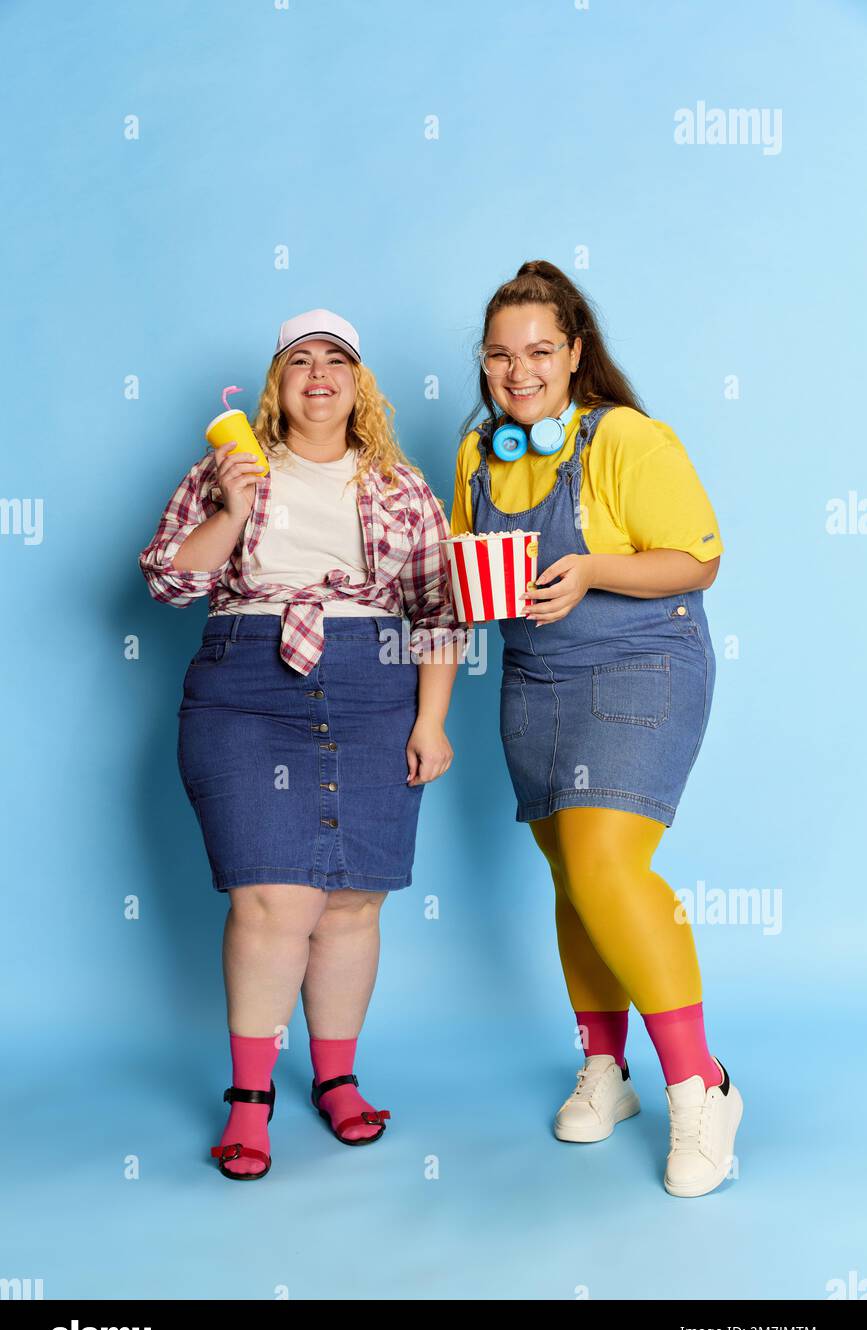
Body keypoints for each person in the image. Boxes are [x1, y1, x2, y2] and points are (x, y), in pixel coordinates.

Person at [139, 309, 462, 1180]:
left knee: (355, 899)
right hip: (248, 685)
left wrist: (430, 721)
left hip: (376, 684)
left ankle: (336, 1077)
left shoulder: (403, 485)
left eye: (337, 362)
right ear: (277, 383)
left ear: (360, 386)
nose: (319, 374)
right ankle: (250, 1100)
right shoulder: (229, 468)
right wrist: (235, 507)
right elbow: (170, 580)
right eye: (300, 362)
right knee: (270, 902)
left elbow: (439, 612)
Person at [451, 262, 743, 1198]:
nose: (518, 369)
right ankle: (604, 1069)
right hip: (533, 676)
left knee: (605, 861)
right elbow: (465, 568)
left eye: (540, 350)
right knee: (572, 878)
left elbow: (697, 561)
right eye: (500, 355)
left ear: (577, 354)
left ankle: (702, 1086)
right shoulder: (475, 454)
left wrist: (588, 571)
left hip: (639, 663)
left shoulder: (624, 437)